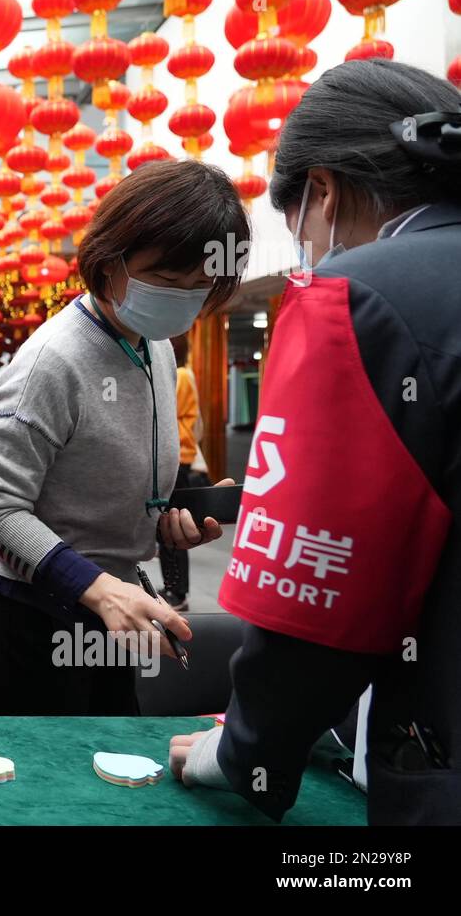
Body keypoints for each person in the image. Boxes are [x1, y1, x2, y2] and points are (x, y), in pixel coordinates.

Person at [170, 59, 461, 824]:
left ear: (323, 195)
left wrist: (242, 750)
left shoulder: (360, 294)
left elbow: (320, 594)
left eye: (298, 219)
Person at [0, 159, 247, 716]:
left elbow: (99, 481)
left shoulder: (153, 344)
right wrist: (97, 586)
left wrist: (167, 520)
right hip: (31, 616)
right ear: (109, 260)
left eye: (200, 286)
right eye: (166, 282)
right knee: (44, 792)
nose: (183, 299)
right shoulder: (54, 359)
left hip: (114, 606)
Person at [155, 333, 210, 610]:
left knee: (174, 525)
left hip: (179, 456)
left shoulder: (182, 375)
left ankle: (178, 591)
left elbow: (162, 407)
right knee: (169, 524)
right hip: (175, 454)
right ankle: (172, 587)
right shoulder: (180, 374)